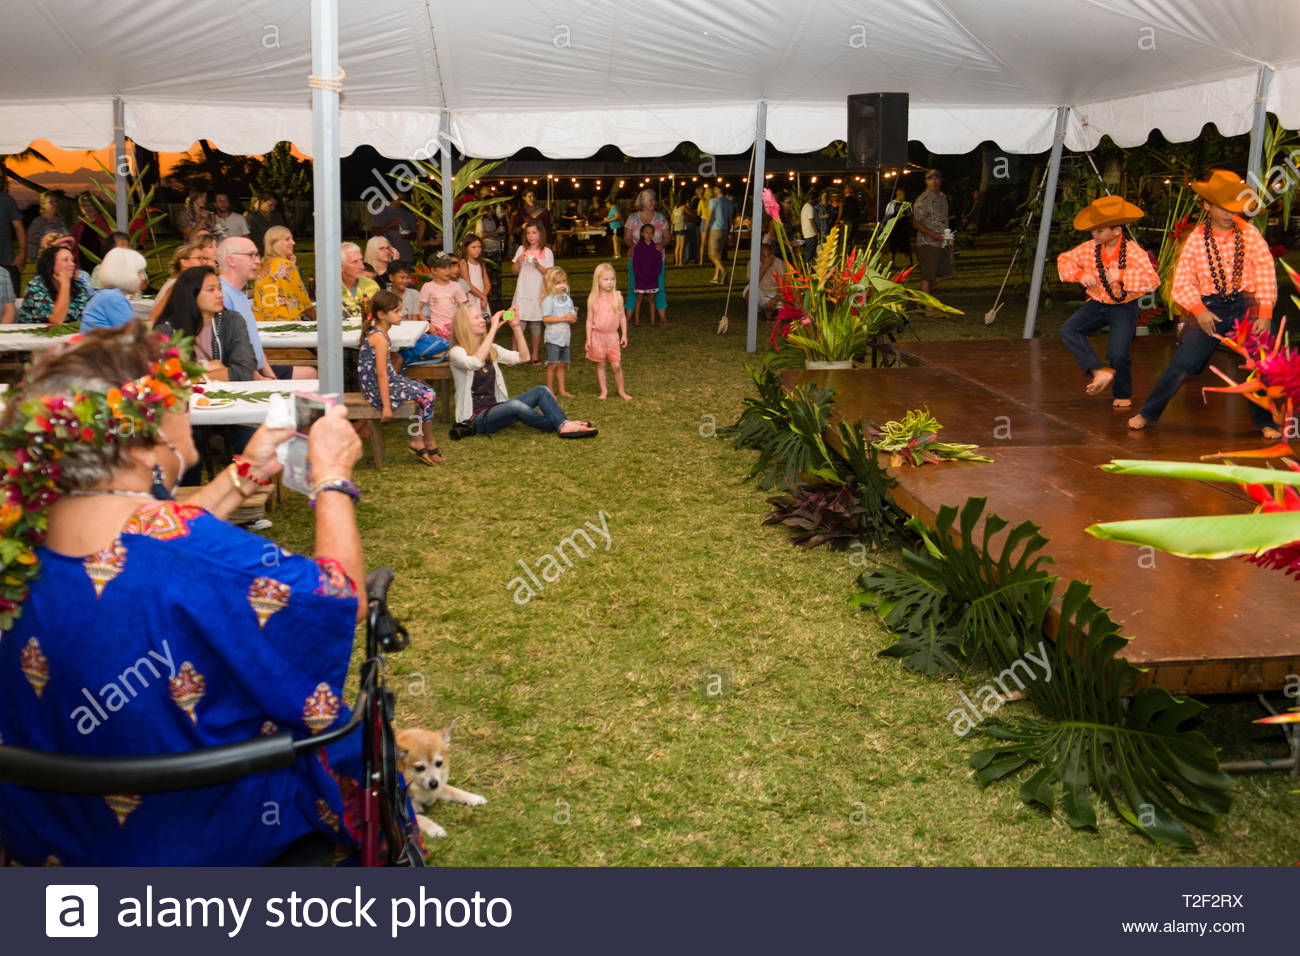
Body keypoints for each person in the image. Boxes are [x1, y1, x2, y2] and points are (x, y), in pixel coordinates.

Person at [0, 322, 368, 865]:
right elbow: (341, 598)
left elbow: (147, 545)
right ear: (140, 438)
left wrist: (242, 475)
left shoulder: (20, 534)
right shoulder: (187, 547)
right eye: (177, 394)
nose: (190, 401)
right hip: (202, 827)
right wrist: (332, 478)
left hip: (55, 826)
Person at [1129, 169, 1280, 437]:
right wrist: (1200, 311)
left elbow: (1266, 272)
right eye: (1222, 208)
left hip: (1245, 306)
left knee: (1258, 363)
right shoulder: (1196, 240)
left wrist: (1265, 311)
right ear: (1207, 206)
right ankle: (1147, 413)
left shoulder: (1251, 235)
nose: (1228, 214)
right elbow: (1182, 284)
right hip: (1210, 308)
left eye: (1233, 208)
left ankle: (1265, 421)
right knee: (1184, 364)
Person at [1056, 196, 1160, 408]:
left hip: (1124, 308)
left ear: (1117, 231)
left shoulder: (1133, 253)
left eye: (1100, 230)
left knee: (1117, 353)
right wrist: (1079, 274)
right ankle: (1097, 371)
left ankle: (1123, 393)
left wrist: (1121, 276)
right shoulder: (1089, 248)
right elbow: (1065, 259)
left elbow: (1152, 281)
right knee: (1069, 330)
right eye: (1094, 230)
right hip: (1097, 304)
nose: (1095, 234)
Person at [448, 304, 595, 437]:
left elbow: (523, 357)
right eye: (476, 317)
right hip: (475, 419)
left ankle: (563, 423)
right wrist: (493, 328)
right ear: (464, 325)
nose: (482, 320)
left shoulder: (491, 350)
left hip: (498, 409)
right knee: (515, 406)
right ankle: (562, 424)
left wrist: (516, 327)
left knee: (541, 390)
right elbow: (475, 363)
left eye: (482, 316)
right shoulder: (456, 352)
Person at [358, 289, 443, 465]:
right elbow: (381, 374)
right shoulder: (379, 338)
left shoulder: (382, 333)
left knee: (426, 390)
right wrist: (387, 407)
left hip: (387, 381)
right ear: (382, 314)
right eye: (396, 311)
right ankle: (424, 442)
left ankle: (420, 439)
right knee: (428, 395)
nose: (401, 314)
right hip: (377, 388)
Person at [155, 266, 258, 382]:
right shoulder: (167, 330)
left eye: (220, 288)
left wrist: (197, 376)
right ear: (191, 294)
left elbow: (245, 370)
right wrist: (209, 367)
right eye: (211, 290)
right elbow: (162, 374)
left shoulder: (232, 321)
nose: (219, 294)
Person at [217, 237, 279, 380]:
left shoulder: (240, 294)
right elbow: (232, 351)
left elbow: (253, 338)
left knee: (311, 373)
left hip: (256, 370)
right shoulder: (221, 295)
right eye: (251, 255)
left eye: (257, 255)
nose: (257, 261)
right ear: (231, 260)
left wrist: (268, 371)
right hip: (242, 377)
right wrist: (261, 379)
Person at [623, 189, 670, 325]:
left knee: (659, 288)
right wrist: (632, 247)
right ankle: (628, 317)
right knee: (633, 287)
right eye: (650, 200)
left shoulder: (660, 217)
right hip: (637, 260)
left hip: (656, 260)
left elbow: (667, 236)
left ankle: (662, 318)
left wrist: (662, 245)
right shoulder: (633, 218)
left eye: (654, 199)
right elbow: (626, 237)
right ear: (642, 202)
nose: (653, 202)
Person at [410, 251, 465, 365]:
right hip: (437, 331)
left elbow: (464, 308)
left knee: (457, 357)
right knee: (439, 358)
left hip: (455, 329)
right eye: (443, 268)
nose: (448, 271)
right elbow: (417, 308)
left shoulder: (456, 286)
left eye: (449, 267)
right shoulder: (428, 287)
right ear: (433, 270)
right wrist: (428, 325)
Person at [586, 262, 631, 401]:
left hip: (612, 337)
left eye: (612, 279)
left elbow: (622, 317)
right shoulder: (593, 299)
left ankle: (621, 390)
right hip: (597, 336)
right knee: (601, 364)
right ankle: (604, 390)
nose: (610, 282)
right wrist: (588, 339)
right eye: (606, 279)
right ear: (598, 281)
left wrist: (624, 334)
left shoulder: (617, 297)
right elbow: (588, 321)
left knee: (616, 365)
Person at [252, 226, 315, 324]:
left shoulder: (261, 266)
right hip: (284, 325)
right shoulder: (285, 265)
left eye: (292, 239)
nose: (293, 243)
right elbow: (303, 301)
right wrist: (317, 320)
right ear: (275, 243)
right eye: (287, 239)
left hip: (261, 323)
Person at [512, 222, 554, 365]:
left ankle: (534, 355)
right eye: (528, 233)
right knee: (518, 323)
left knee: (536, 324)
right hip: (522, 291)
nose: (531, 236)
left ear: (541, 234)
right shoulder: (521, 249)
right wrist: (518, 261)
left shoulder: (546, 252)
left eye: (534, 233)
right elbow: (514, 271)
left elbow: (550, 274)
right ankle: (514, 354)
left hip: (537, 292)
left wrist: (538, 265)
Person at [149, 236, 219, 322]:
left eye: (204, 259)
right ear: (184, 262)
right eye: (199, 258)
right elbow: (155, 318)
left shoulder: (187, 282)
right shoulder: (176, 286)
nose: (204, 262)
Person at [80, 246, 148, 332]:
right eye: (138, 272)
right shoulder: (114, 298)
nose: (143, 278)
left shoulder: (109, 294)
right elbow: (131, 334)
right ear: (124, 274)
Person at [18, 245, 91, 325]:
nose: (72, 264)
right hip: (33, 334)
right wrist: (65, 284)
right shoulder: (35, 285)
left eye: (73, 260)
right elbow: (56, 320)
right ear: (51, 263)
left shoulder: (79, 286)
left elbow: (85, 318)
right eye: (65, 260)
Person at [913, 169, 953, 310]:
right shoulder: (923, 199)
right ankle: (928, 310)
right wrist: (933, 234)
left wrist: (948, 240)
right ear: (926, 181)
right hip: (927, 242)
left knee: (946, 273)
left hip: (942, 241)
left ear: (941, 180)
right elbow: (916, 222)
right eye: (930, 178)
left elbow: (944, 221)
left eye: (937, 178)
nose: (934, 181)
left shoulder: (942, 197)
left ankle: (918, 297)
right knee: (927, 276)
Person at [540, 267, 576, 398]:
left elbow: (572, 314)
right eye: (558, 283)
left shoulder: (567, 299)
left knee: (561, 364)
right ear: (550, 284)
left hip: (565, 337)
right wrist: (563, 318)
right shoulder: (549, 300)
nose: (562, 285)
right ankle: (549, 390)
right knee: (553, 364)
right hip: (553, 338)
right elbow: (545, 318)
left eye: (564, 282)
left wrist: (572, 318)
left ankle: (562, 390)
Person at [744, 242, 786, 321]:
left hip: (776, 293)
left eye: (768, 256)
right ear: (759, 255)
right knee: (749, 292)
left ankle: (770, 314)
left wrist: (776, 298)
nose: (766, 258)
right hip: (761, 291)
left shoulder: (779, 263)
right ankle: (755, 314)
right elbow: (753, 283)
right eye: (763, 256)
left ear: (772, 254)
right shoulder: (752, 262)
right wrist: (765, 266)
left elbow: (783, 285)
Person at [631, 223, 663, 327]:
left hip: (653, 279)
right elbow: (635, 264)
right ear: (642, 233)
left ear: (653, 234)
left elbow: (659, 264)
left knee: (652, 299)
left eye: (651, 233)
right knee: (639, 299)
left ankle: (653, 322)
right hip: (640, 279)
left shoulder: (656, 248)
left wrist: (655, 275)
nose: (648, 235)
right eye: (646, 233)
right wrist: (640, 276)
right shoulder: (638, 247)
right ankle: (636, 321)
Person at [369, 198, 416, 263]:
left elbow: (414, 236)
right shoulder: (380, 212)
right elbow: (374, 233)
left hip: (405, 256)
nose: (401, 202)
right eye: (399, 199)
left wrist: (408, 235)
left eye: (403, 200)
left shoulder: (408, 213)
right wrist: (390, 224)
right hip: (388, 255)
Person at [340, 241, 379, 321]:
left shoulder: (371, 285)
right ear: (340, 266)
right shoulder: (329, 289)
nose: (362, 266)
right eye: (355, 262)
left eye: (361, 260)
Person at [26, 192, 68, 262]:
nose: (55, 204)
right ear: (43, 205)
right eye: (51, 202)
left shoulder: (61, 220)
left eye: (56, 201)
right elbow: (31, 245)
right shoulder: (38, 223)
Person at [706, 184, 735, 283]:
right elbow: (731, 219)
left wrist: (706, 229)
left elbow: (709, 216)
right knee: (718, 255)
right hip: (725, 229)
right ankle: (716, 277)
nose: (713, 190)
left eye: (714, 189)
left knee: (711, 255)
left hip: (715, 228)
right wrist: (732, 230)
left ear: (718, 190)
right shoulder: (729, 202)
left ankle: (724, 271)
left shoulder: (713, 201)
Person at [71, 192, 109, 269]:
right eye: (85, 206)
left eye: (91, 205)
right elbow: (75, 247)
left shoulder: (104, 221)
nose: (88, 208)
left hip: (101, 262)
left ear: (95, 206)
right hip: (83, 263)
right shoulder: (78, 225)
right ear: (81, 208)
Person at [459, 235, 492, 316]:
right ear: (465, 248)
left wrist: (483, 296)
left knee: (483, 321)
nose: (477, 250)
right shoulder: (464, 263)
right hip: (470, 297)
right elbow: (468, 284)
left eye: (479, 247)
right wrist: (483, 297)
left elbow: (487, 284)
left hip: (481, 296)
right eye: (473, 247)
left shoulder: (481, 263)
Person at [0, 186, 24, 292]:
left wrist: (22, 255)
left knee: (13, 302)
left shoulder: (6, 199)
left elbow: (19, 228)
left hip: (8, 263)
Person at [883, 187, 913, 269]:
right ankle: (892, 264)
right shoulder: (892, 204)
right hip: (894, 228)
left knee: (906, 246)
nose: (904, 196)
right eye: (903, 195)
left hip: (904, 228)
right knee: (893, 247)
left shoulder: (906, 204)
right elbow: (888, 216)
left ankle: (910, 263)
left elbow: (910, 215)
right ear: (899, 195)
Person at [671, 198, 690, 267]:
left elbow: (671, 218)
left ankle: (676, 262)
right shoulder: (684, 207)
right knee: (682, 246)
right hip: (682, 226)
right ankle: (680, 262)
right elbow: (690, 213)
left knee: (677, 246)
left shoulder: (675, 208)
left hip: (676, 227)